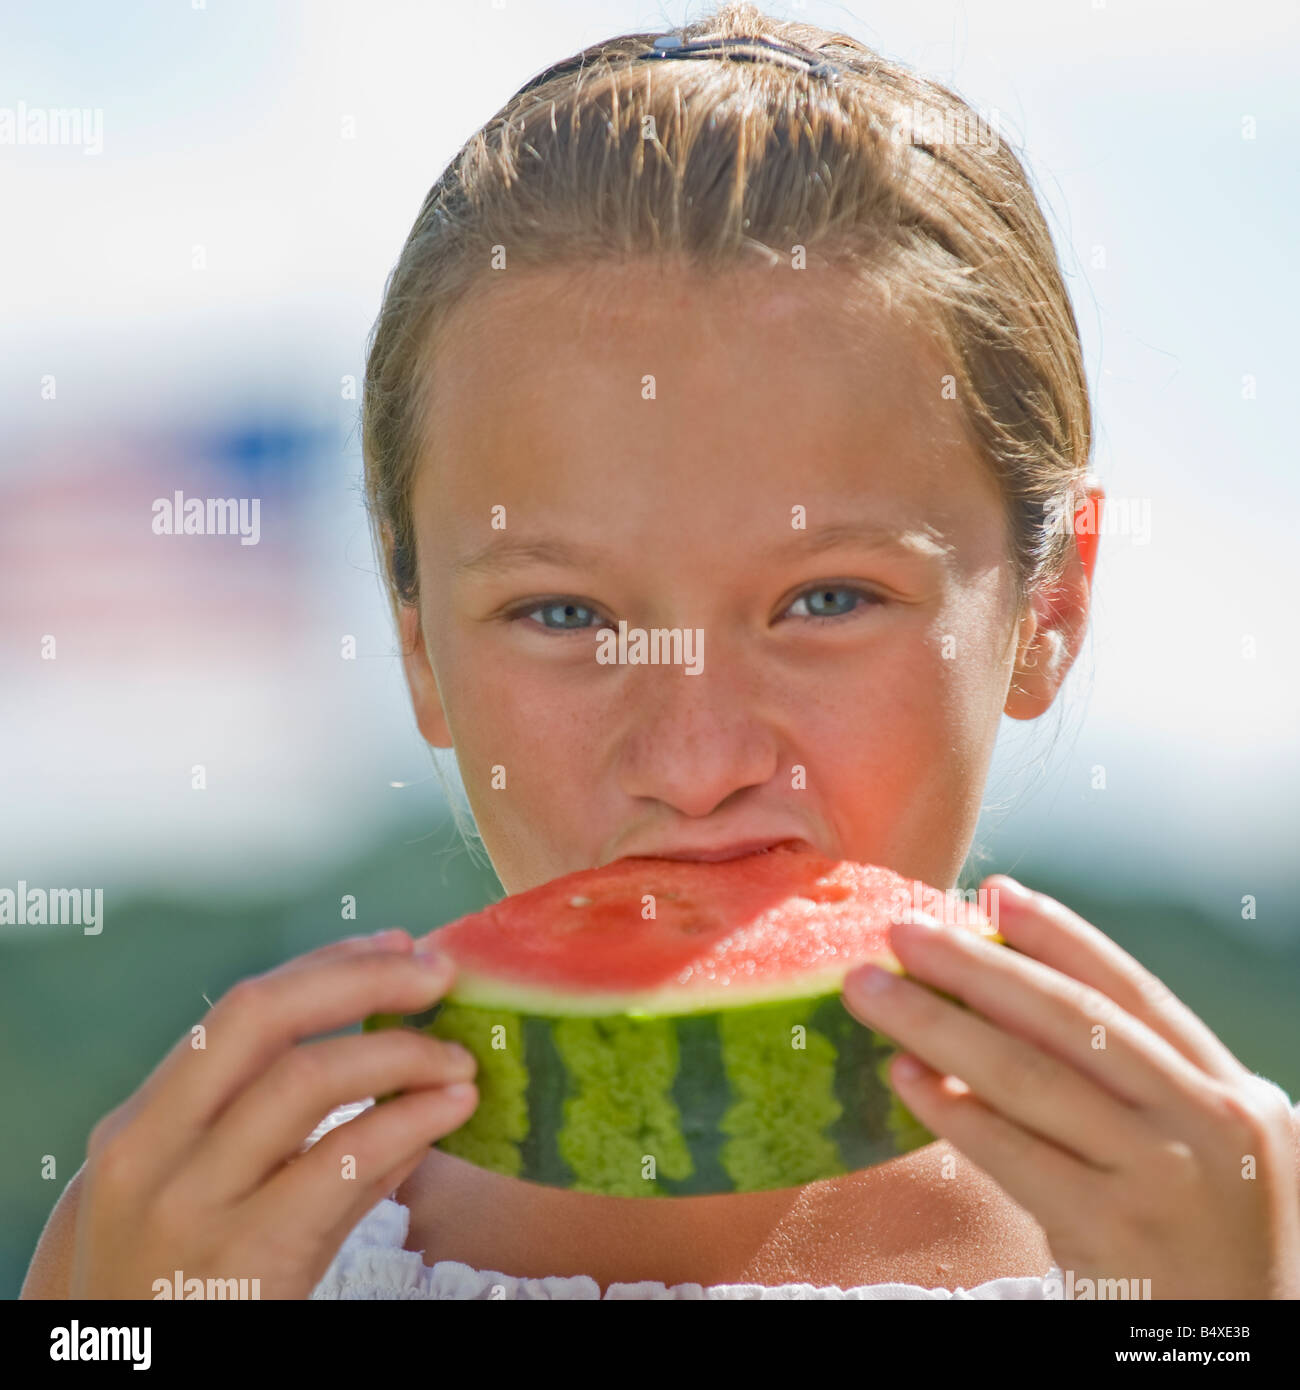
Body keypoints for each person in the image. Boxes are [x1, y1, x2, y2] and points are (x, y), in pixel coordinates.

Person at [23, 2, 1299, 1301]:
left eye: (827, 599)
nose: (696, 760)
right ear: (418, 649)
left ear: (1053, 602)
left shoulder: (1221, 1244)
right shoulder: (184, 1246)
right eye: (565, 615)